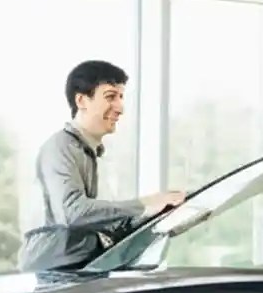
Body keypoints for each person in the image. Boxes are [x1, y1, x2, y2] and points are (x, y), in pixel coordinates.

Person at [18, 60, 184, 271]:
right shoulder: (60, 147)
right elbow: (74, 213)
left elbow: (107, 219)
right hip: (56, 274)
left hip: (85, 268)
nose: (120, 108)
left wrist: (160, 212)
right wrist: (145, 204)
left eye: (121, 97)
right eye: (110, 97)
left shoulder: (95, 154)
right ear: (81, 100)